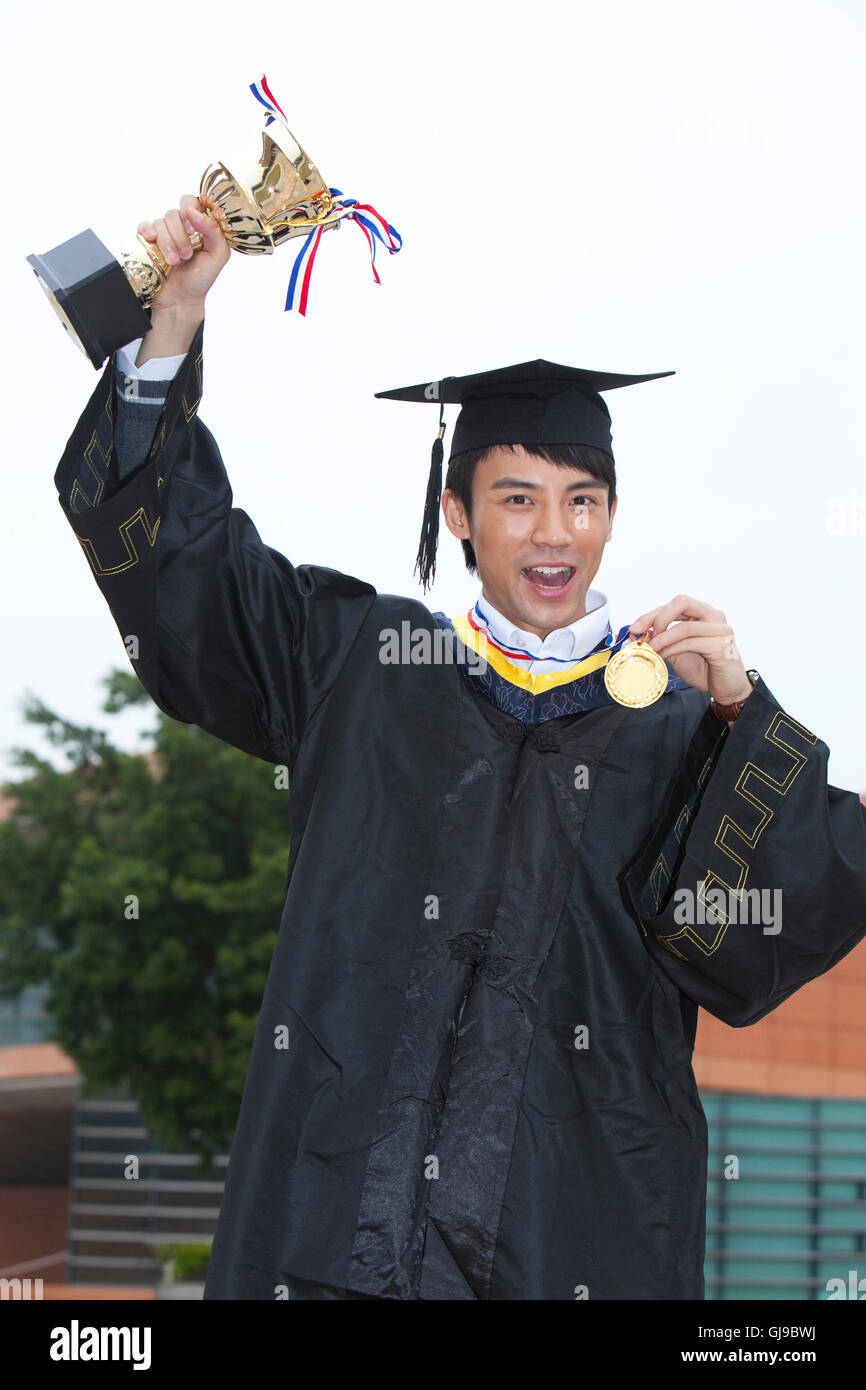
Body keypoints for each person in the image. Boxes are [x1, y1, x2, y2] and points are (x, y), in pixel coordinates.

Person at [52, 194, 866, 1301]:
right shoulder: (360, 667)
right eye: (517, 497)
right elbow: (188, 583)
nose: (551, 531)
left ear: (611, 518)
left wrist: (738, 713)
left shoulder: (676, 728)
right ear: (458, 512)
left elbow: (754, 951)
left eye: (581, 501)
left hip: (565, 1236)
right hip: (332, 1235)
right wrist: (169, 335)